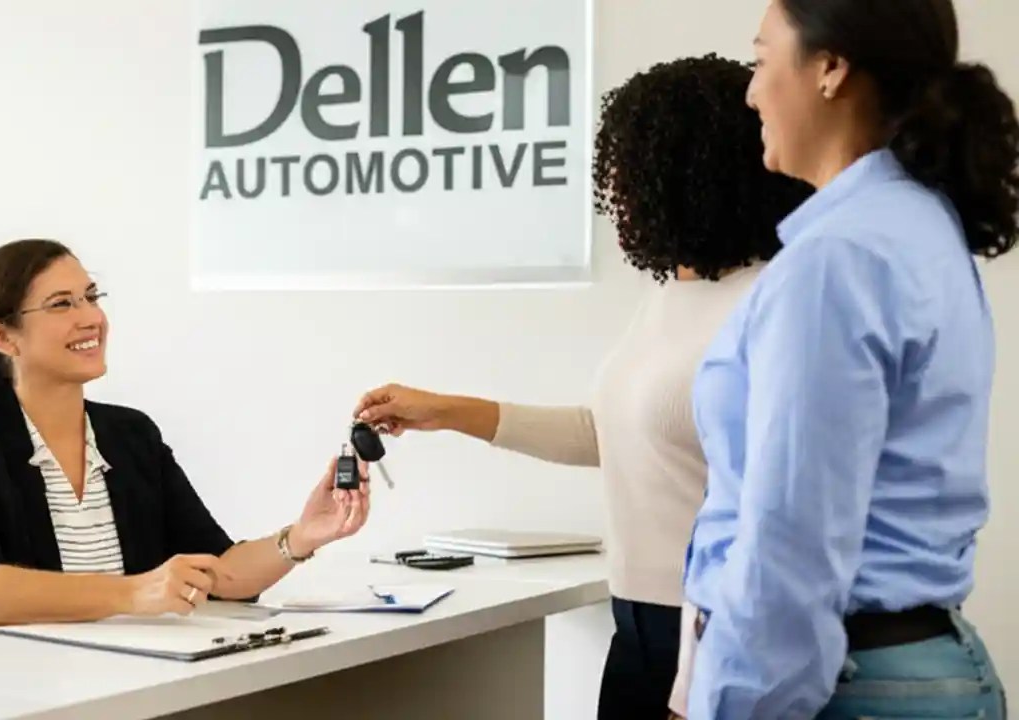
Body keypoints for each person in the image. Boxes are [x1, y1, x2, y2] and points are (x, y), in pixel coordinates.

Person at [352, 55, 812, 719]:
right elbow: (610, 432)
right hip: (636, 626)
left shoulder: (771, 301)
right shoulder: (669, 296)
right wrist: (445, 412)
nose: (615, 188)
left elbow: (772, 506)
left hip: (718, 632)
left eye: (630, 164)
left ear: (685, 169)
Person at [674, 0, 1019, 717]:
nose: (750, 91)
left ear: (830, 67)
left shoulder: (835, 261)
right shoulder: (918, 226)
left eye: (762, 59)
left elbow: (790, 552)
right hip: (918, 668)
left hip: (846, 685)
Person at [0, 239, 370, 629]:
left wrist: (303, 536)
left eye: (91, 297)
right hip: (3, 681)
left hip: (121, 670)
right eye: (62, 304)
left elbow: (220, 571)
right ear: (2, 336)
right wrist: (134, 593)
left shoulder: (130, 434)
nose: (91, 317)